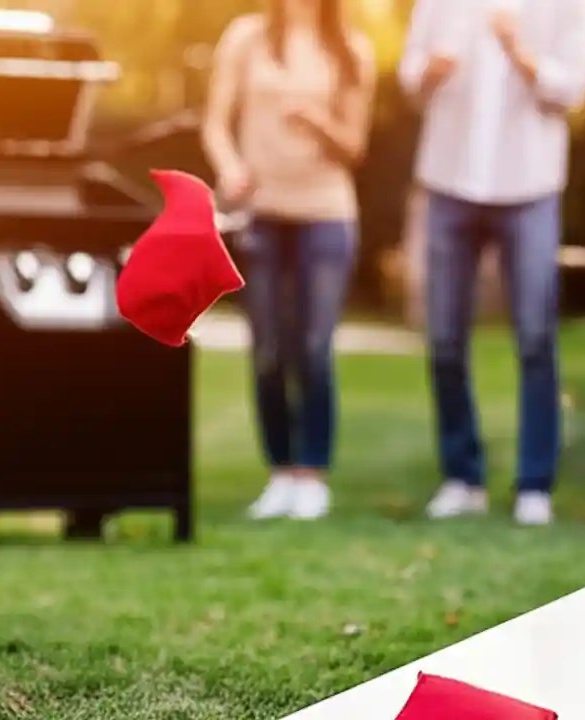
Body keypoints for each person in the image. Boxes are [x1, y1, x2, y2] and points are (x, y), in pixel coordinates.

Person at [398, 0, 585, 526]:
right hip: (448, 179)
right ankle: (461, 477)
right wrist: (428, 73)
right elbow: (409, 75)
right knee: (443, 339)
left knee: (535, 338)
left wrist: (521, 53)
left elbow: (574, 91)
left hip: (530, 184)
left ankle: (535, 484)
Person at [202, 0, 376, 520]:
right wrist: (231, 168)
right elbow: (215, 122)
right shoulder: (245, 38)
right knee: (269, 349)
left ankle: (312, 475)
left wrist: (318, 120)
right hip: (262, 215)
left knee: (315, 347)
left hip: (326, 215)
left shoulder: (351, 51)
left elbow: (355, 147)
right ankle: (280, 473)